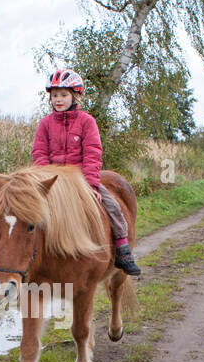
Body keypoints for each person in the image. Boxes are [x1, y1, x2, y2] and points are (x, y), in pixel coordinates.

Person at [32, 69, 140, 276]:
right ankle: (29, 257)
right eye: (55, 95)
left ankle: (123, 250)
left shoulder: (86, 122)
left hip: (81, 180)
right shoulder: (45, 124)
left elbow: (92, 154)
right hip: (53, 181)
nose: (58, 100)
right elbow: (39, 153)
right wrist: (45, 178)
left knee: (112, 206)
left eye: (63, 95)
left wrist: (91, 185)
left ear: (75, 95)